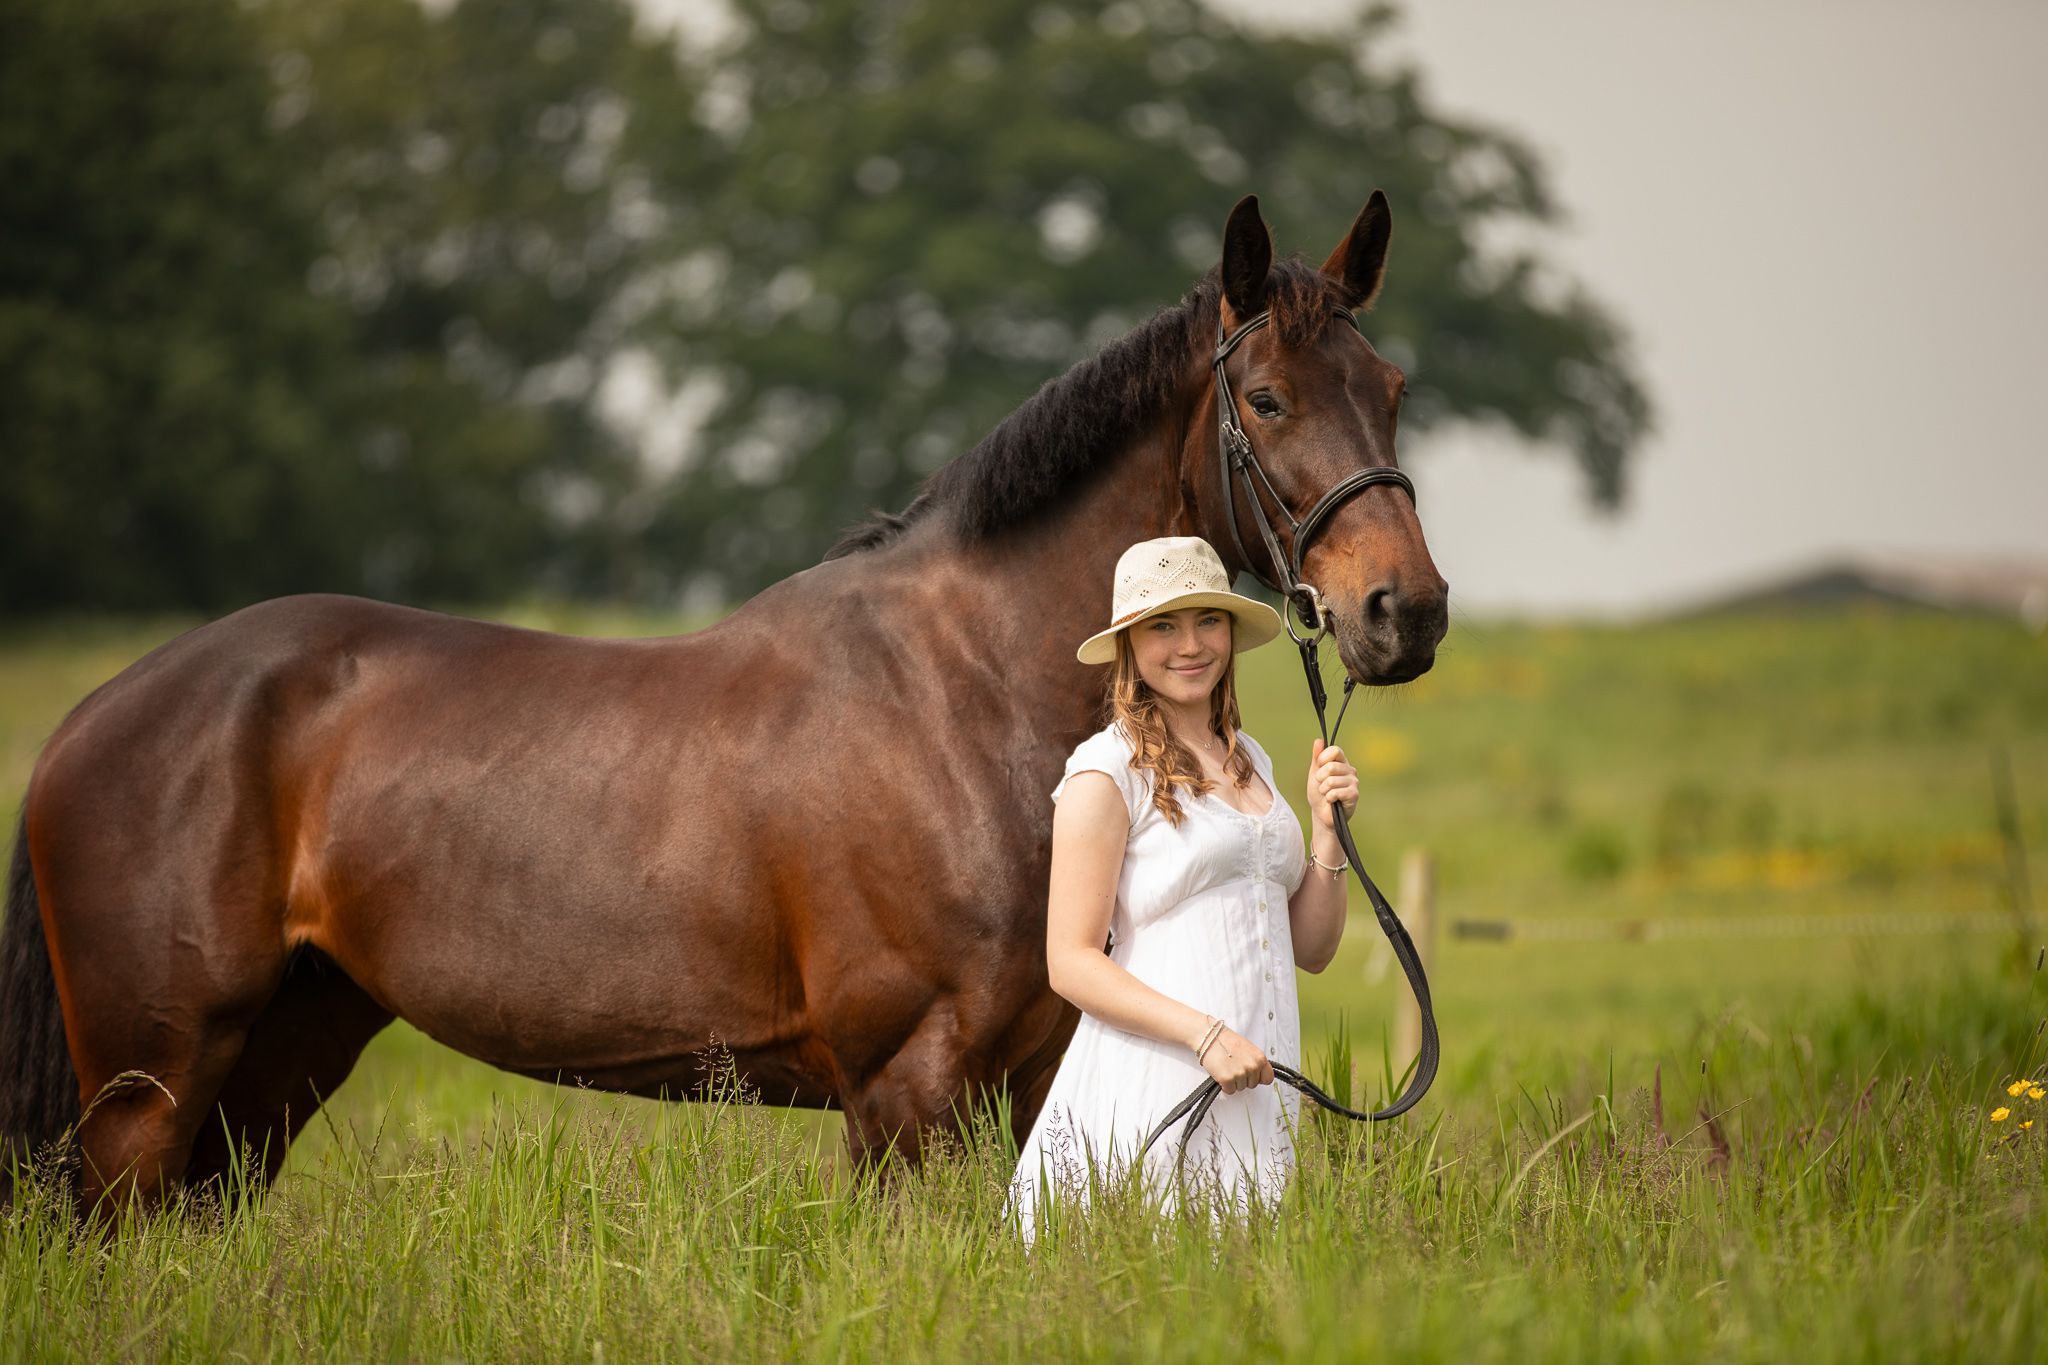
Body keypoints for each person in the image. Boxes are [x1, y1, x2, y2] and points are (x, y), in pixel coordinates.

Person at [1007, 535, 1359, 1242]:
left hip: (1257, 1086)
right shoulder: (1104, 771)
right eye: (1162, 625)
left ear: (1230, 631)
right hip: (1157, 1082)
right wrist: (1204, 1036)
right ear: (1130, 645)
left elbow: (1312, 948)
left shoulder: (1250, 758)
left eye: (1206, 619)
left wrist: (1327, 833)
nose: (1189, 644)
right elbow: (1070, 961)